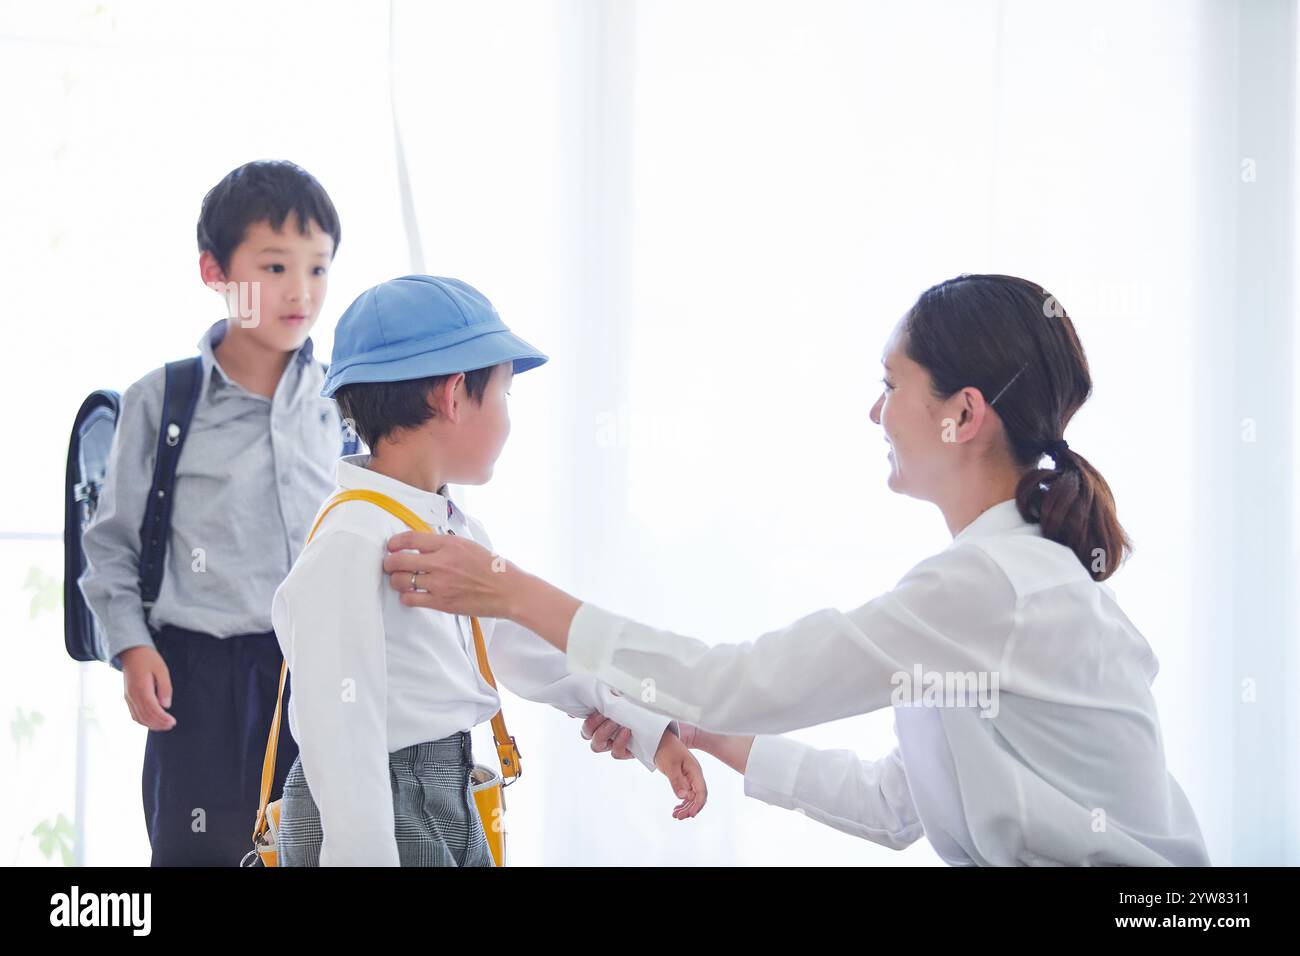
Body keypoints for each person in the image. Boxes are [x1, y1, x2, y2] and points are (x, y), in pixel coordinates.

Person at [382, 273, 1211, 866]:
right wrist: (697, 731)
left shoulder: (990, 588)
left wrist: (512, 592)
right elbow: (895, 807)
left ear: (963, 414)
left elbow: (738, 678)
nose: (874, 412)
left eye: (890, 386)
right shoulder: (984, 584)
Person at [271, 275, 707, 867]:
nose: (507, 418)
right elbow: (341, 744)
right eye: (504, 395)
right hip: (386, 808)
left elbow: (527, 649)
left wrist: (650, 727)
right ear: (454, 397)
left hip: (449, 792)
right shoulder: (352, 541)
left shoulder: (454, 530)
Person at [79, 160, 345, 865]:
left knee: (321, 850)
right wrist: (133, 647)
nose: (301, 291)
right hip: (199, 684)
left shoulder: (340, 405)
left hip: (319, 677)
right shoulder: (161, 402)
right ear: (214, 270)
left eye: (318, 268)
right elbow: (108, 547)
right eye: (275, 266)